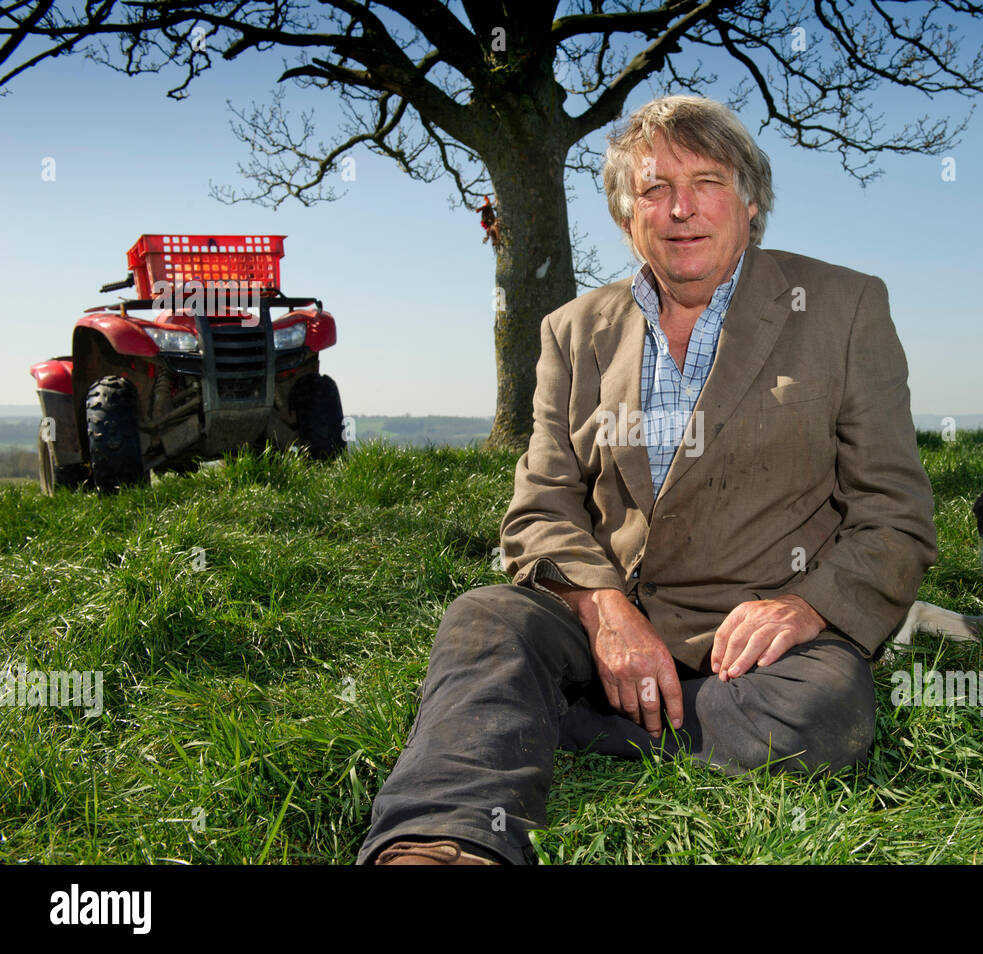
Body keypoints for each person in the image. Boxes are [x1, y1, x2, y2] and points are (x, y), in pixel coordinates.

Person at [356, 95, 937, 865]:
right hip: (609, 619)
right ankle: (441, 840)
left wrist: (803, 605)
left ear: (752, 200)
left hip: (756, 646)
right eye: (655, 189)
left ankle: (535, 714)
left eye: (708, 181)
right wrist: (603, 610)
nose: (682, 209)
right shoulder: (572, 330)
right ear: (627, 215)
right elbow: (542, 506)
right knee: (486, 620)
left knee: (827, 712)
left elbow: (894, 514)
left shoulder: (844, 305)